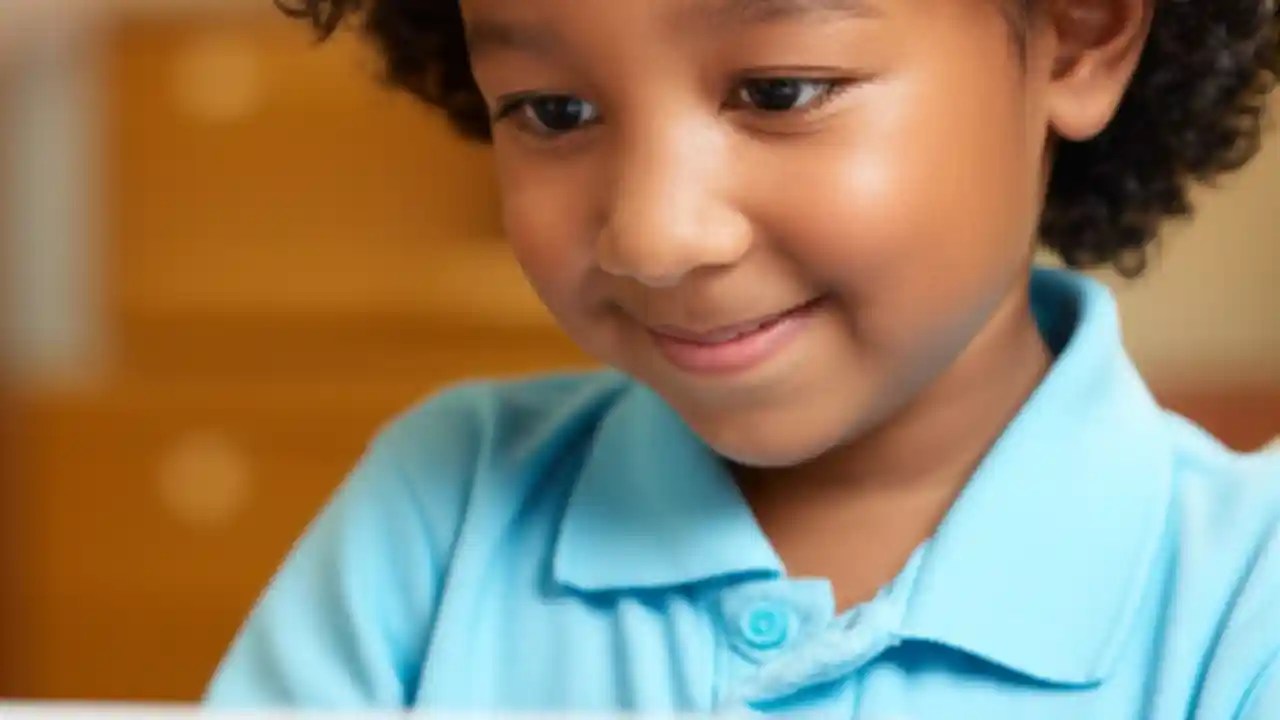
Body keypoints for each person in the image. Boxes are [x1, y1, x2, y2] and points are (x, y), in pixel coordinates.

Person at [205, 0, 1280, 716]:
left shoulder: (1244, 604)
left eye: (778, 91)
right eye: (554, 110)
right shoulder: (438, 515)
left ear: (1074, 35)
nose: (653, 236)